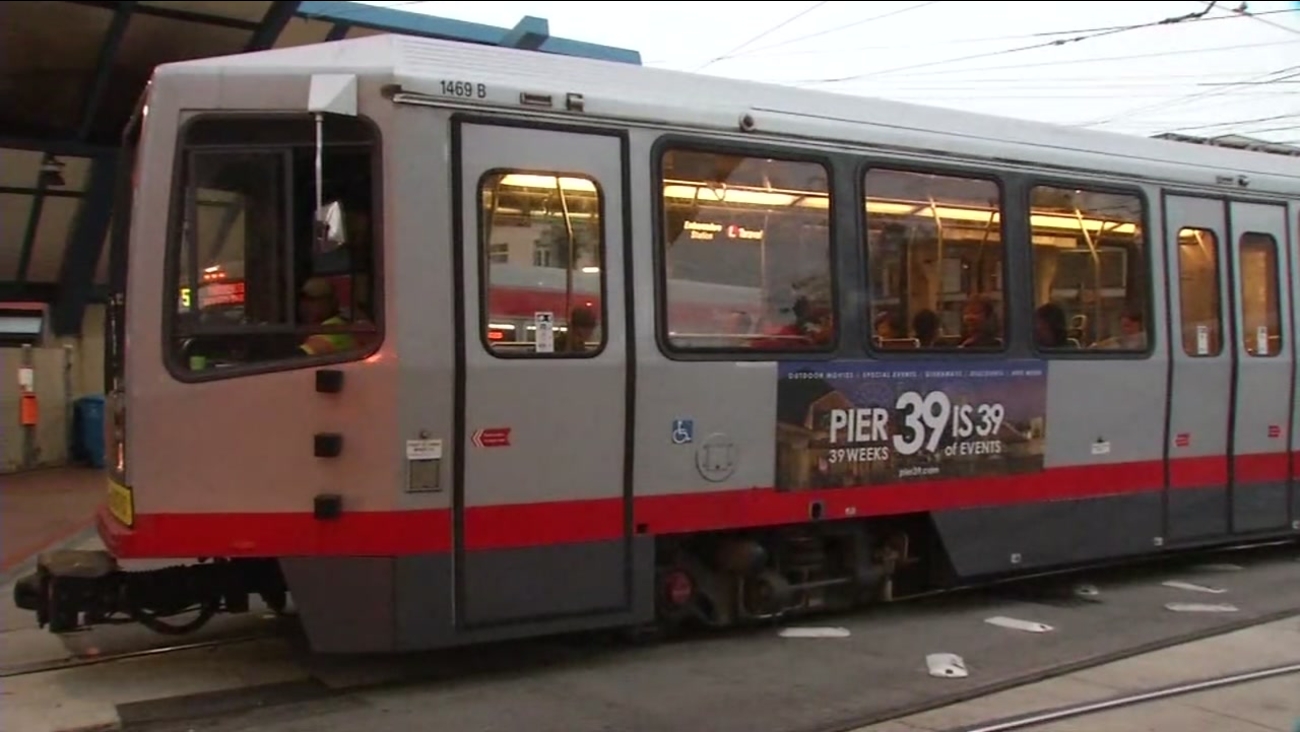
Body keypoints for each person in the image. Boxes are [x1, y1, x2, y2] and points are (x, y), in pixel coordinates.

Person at [298, 277, 358, 356]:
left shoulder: (332, 329)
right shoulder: (321, 327)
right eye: (303, 301)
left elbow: (296, 357)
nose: (305, 306)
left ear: (330, 303)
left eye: (312, 300)